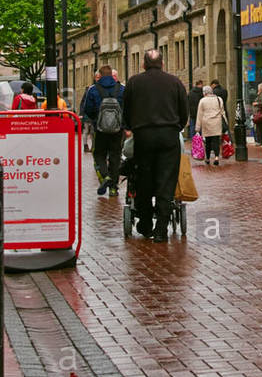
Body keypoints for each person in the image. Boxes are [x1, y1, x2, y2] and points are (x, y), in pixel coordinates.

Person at [122, 49, 188, 242]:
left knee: (144, 180)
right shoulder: (175, 82)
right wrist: (176, 126)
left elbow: (126, 111)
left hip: (143, 136)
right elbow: (184, 113)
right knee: (166, 183)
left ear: (143, 64)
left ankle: (145, 224)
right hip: (169, 136)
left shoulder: (134, 82)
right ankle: (161, 230)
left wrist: (131, 127)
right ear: (163, 64)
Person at [81, 65, 125, 197]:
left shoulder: (93, 90)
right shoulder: (121, 89)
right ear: (112, 74)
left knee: (99, 154)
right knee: (115, 157)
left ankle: (105, 176)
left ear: (99, 75)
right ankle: (113, 188)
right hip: (117, 129)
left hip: (100, 129)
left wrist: (96, 120)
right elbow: (127, 106)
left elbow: (87, 108)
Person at [195, 84, 229, 166]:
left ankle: (207, 158)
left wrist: (197, 128)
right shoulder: (219, 99)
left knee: (208, 141)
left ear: (205, 92)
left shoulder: (202, 101)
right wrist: (226, 123)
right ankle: (216, 157)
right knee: (216, 140)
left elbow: (200, 114)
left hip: (206, 122)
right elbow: (222, 112)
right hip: (217, 122)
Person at [80, 71, 100, 152]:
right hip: (87, 114)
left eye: (100, 77)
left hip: (94, 115)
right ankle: (85, 145)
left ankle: (93, 145)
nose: (99, 79)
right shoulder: (90, 89)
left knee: (92, 131)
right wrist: (81, 113)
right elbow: (83, 102)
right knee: (86, 130)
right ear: (95, 78)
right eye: (97, 77)